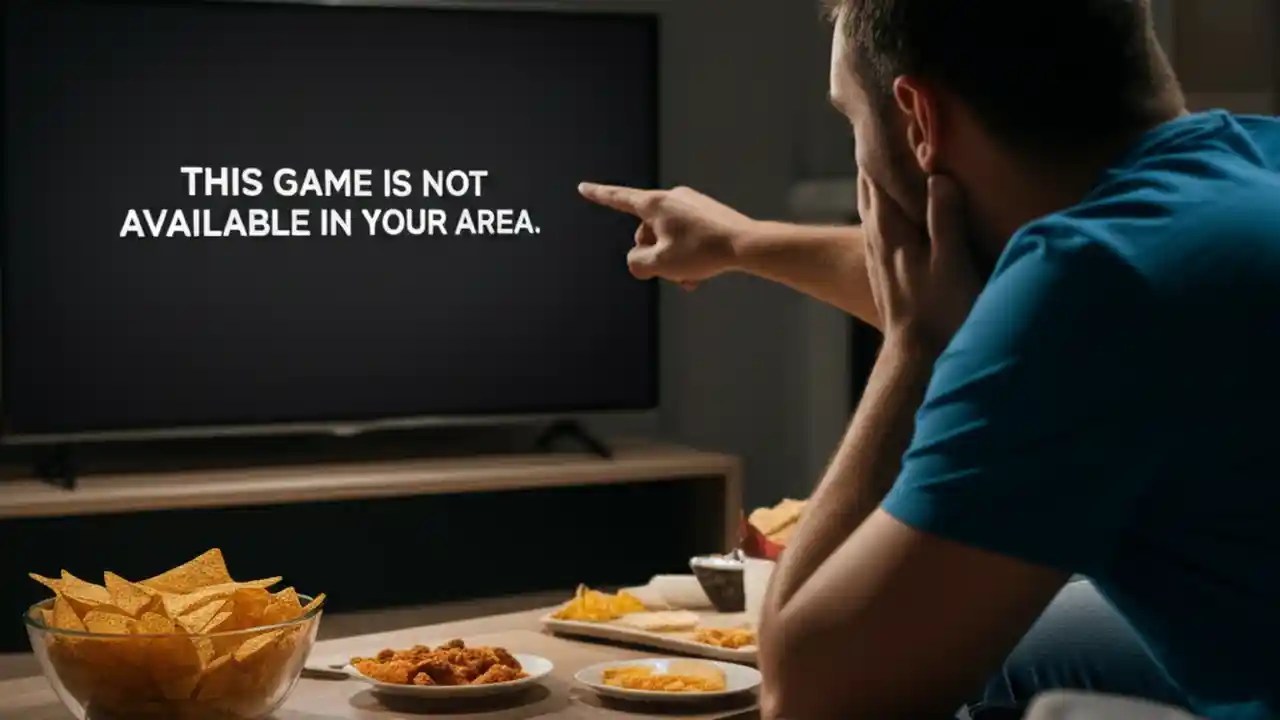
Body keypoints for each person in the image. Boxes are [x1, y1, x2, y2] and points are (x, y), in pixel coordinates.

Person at [579, 1, 1280, 718]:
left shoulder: (1093, 284)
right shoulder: (1249, 169)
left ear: (919, 119)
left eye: (851, 116)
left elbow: (806, 697)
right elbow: (986, 291)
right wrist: (738, 242)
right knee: (1020, 647)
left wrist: (913, 348)